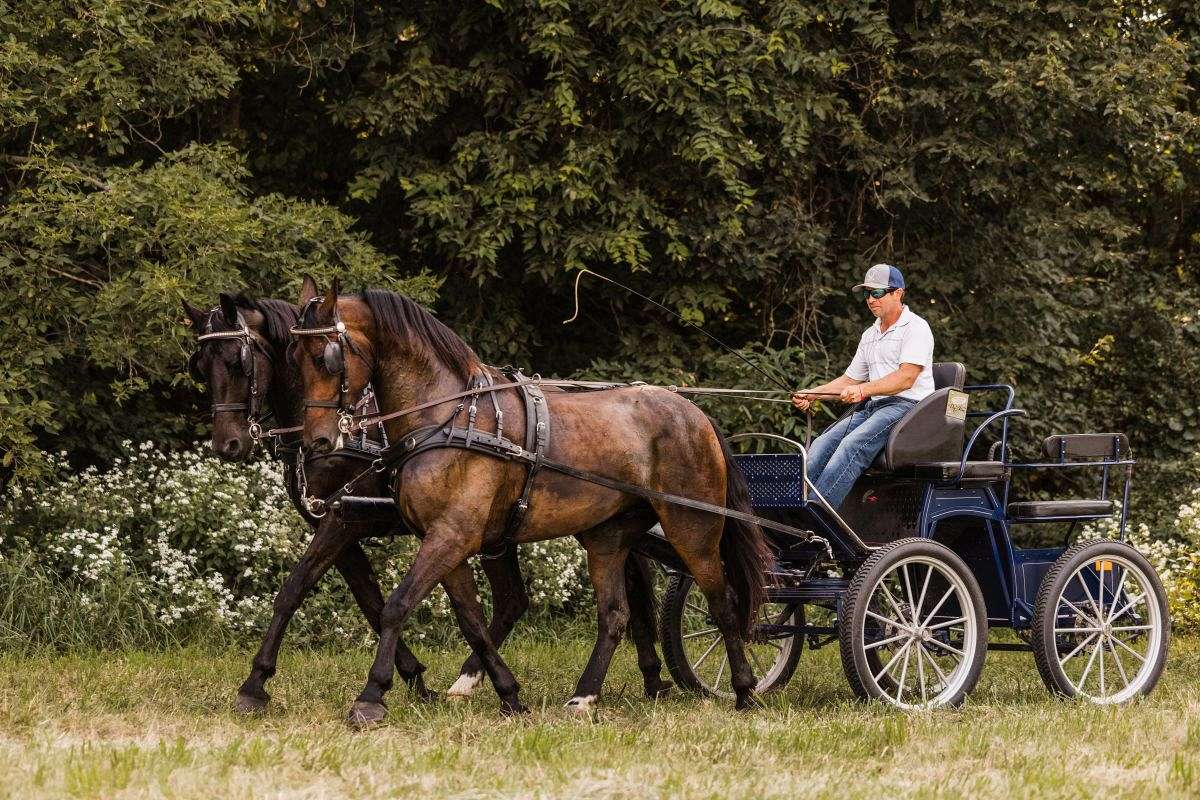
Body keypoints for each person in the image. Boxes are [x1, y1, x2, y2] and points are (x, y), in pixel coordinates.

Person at [792, 264, 935, 510]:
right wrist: (813, 394)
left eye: (877, 293)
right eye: (867, 293)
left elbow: (905, 379)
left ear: (898, 293)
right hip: (875, 407)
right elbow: (850, 380)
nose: (870, 299)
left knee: (851, 445)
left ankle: (818, 516)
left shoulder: (916, 328)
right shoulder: (870, 334)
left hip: (908, 409)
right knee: (820, 445)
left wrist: (862, 391)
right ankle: (792, 511)